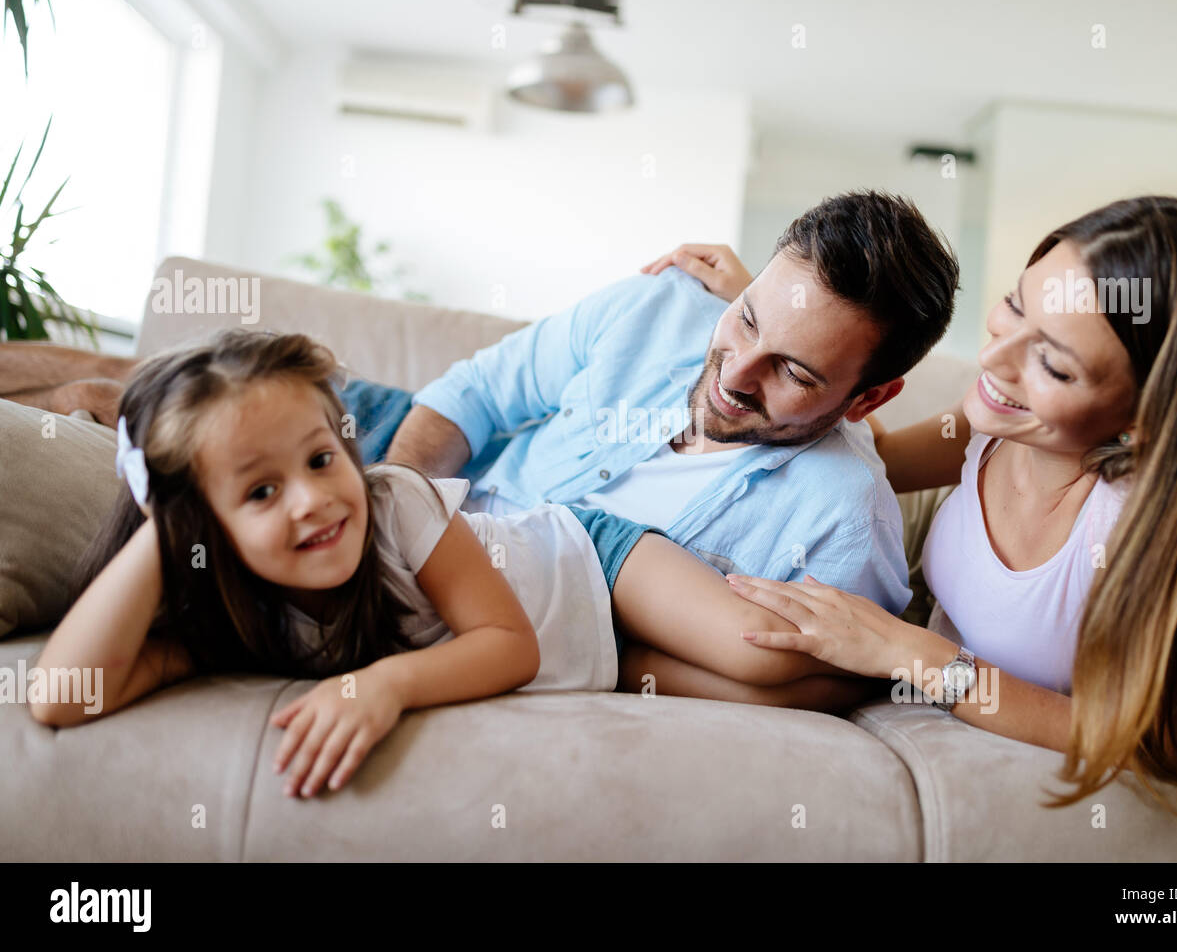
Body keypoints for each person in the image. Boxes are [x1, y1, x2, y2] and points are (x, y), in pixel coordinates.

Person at [6, 190, 962, 707]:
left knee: (759, 661)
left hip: (542, 554)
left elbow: (836, 673)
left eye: (792, 372)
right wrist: (372, 508)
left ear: (870, 396)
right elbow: (474, 393)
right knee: (110, 391)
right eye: (746, 317)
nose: (735, 372)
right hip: (401, 467)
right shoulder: (665, 306)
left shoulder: (841, 514)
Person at [27, 330, 889, 801]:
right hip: (595, 662)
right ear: (195, 519)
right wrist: (160, 528)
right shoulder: (230, 614)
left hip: (594, 560)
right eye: (259, 492)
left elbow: (506, 643)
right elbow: (61, 696)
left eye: (322, 459)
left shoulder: (395, 501)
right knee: (802, 700)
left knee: (757, 652)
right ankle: (869, 684)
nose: (314, 501)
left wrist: (385, 686)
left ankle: (898, 651)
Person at [708, 195, 1177, 809]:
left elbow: (1153, 741)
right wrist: (771, 316)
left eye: (1051, 363)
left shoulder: (1134, 527)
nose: (993, 359)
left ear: (1147, 421)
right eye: (1016, 305)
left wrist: (911, 651)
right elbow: (877, 448)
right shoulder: (995, 428)